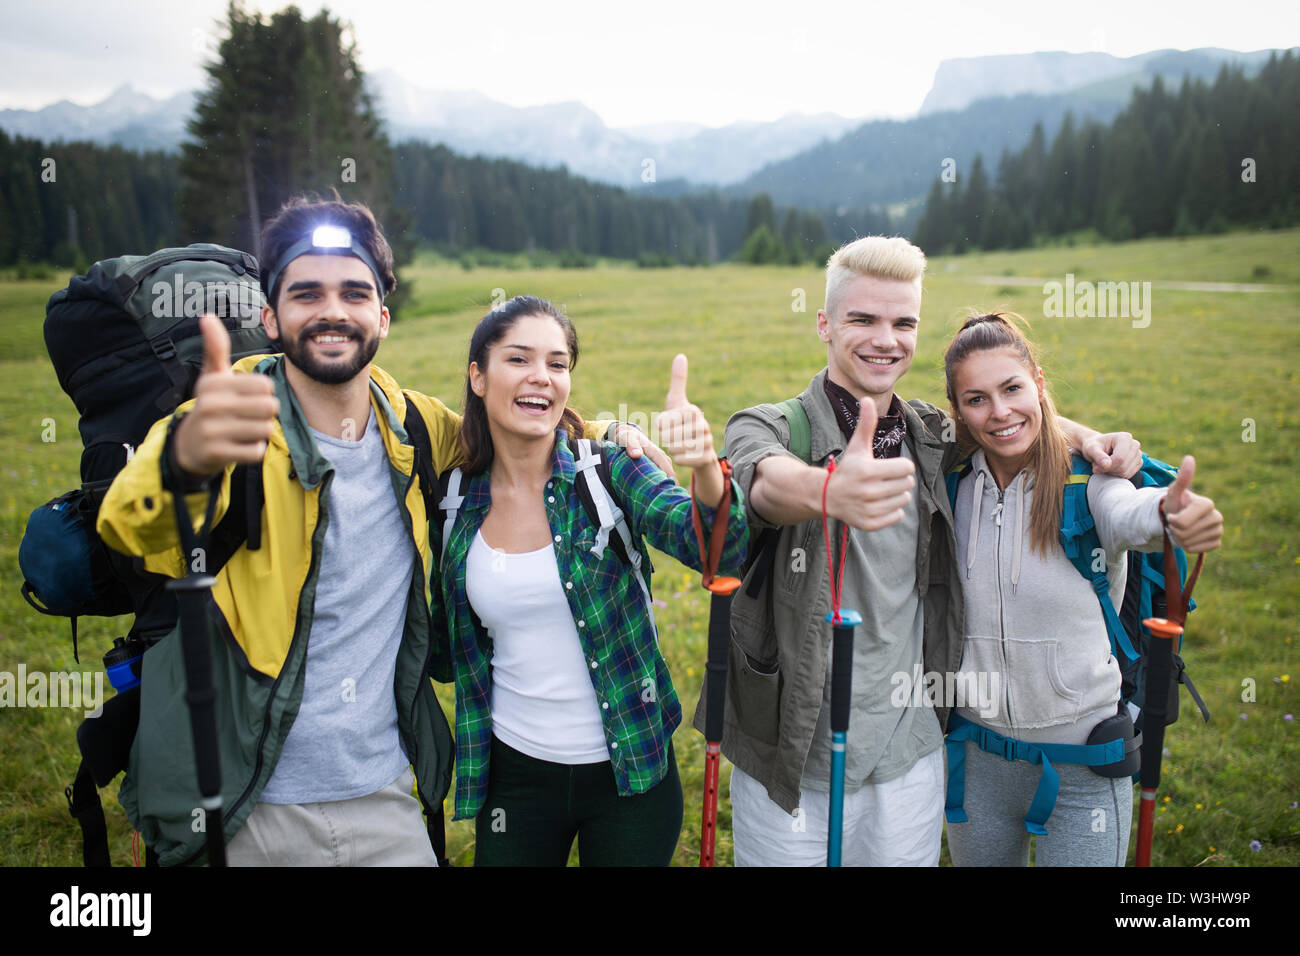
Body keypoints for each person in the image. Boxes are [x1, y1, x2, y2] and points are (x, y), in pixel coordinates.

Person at [96, 198, 665, 867]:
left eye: (354, 293)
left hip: (386, 798)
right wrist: (185, 458)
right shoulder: (223, 420)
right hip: (246, 806)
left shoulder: (415, 426)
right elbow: (131, 527)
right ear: (270, 317)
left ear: (382, 318)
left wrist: (604, 431)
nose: (333, 310)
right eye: (306, 293)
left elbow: (509, 428)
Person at [696, 235, 1143, 866]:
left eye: (903, 322)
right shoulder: (769, 425)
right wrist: (828, 491)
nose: (886, 339)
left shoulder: (932, 434)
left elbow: (1007, 419)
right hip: (793, 757)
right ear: (825, 323)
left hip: (912, 749)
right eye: (863, 319)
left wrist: (1095, 439)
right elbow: (761, 482)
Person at [429, 295, 746, 866]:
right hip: (514, 777)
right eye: (519, 359)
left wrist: (704, 469)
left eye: (557, 363)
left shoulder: (607, 470)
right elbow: (445, 651)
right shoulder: (453, 498)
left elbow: (717, 551)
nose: (541, 379)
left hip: (631, 773)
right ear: (478, 376)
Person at [940, 312, 1222, 866]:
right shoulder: (947, 483)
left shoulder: (1088, 482)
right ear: (958, 410)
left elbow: (1131, 513)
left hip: (1087, 766)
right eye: (976, 399)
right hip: (975, 762)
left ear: (1039, 383)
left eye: (1012, 388)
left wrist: (1171, 515)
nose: (999, 412)